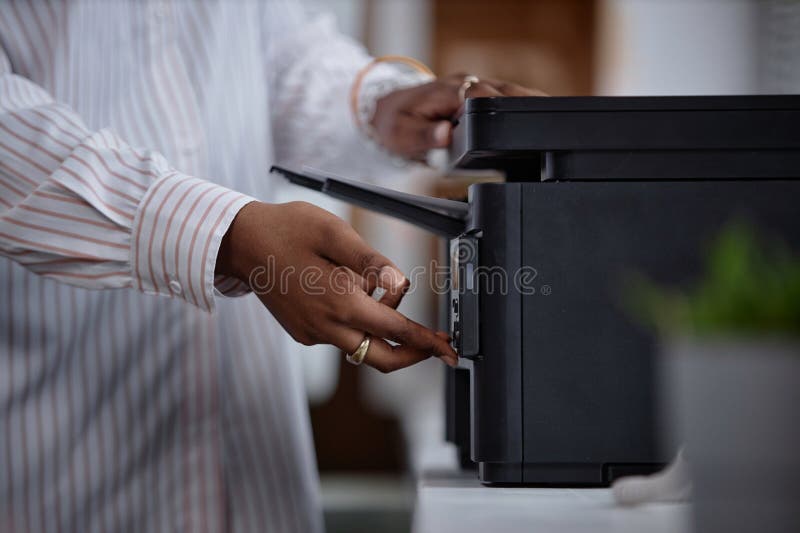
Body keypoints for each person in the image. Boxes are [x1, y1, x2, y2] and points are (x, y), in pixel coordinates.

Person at [0, 2, 539, 532]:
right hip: (56, 458)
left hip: (255, 473)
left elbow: (280, 57)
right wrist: (221, 234)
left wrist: (382, 108)